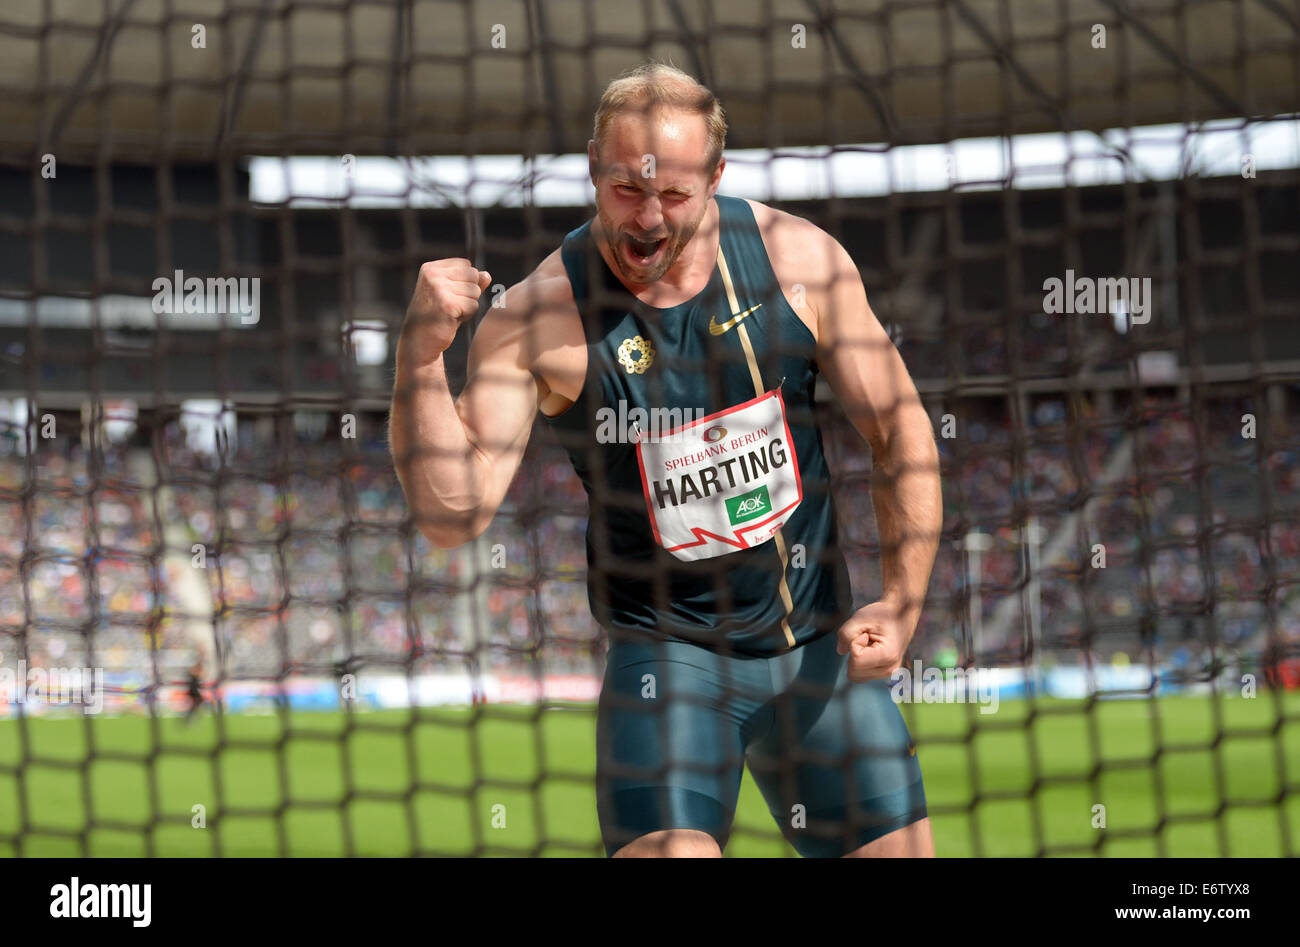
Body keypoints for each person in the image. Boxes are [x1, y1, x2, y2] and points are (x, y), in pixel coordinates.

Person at [390, 63, 943, 857]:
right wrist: (416, 360)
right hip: (668, 663)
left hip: (815, 646)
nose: (646, 219)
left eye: (675, 195)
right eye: (624, 189)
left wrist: (902, 601)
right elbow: (452, 513)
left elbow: (902, 432)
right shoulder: (538, 316)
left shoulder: (800, 261)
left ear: (717, 176)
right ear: (591, 167)